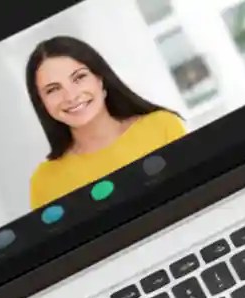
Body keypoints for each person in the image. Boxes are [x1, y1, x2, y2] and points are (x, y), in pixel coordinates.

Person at [26, 36, 186, 209]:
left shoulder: (162, 126)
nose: (71, 96)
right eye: (53, 89)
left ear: (100, 79)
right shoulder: (44, 182)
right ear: (42, 103)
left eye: (79, 78)